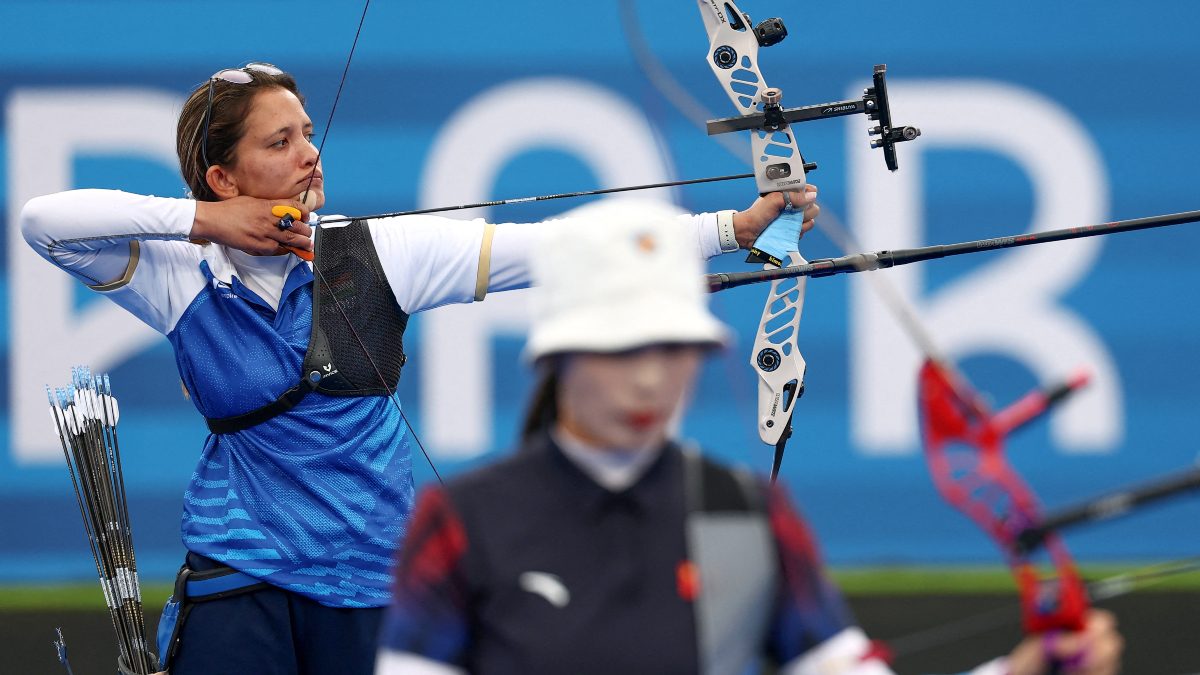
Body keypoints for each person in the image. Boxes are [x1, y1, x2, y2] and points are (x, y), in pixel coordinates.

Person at [18, 63, 813, 675]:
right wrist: (200, 220)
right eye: (280, 141)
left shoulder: (380, 253)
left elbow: (565, 250)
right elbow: (42, 222)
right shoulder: (178, 274)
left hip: (371, 578)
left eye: (306, 132)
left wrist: (732, 226)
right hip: (239, 571)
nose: (309, 152)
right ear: (224, 177)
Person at [374, 214, 1123, 675]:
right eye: (621, 350)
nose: (649, 380)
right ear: (560, 358)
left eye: (672, 349)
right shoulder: (466, 521)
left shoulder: (742, 513)